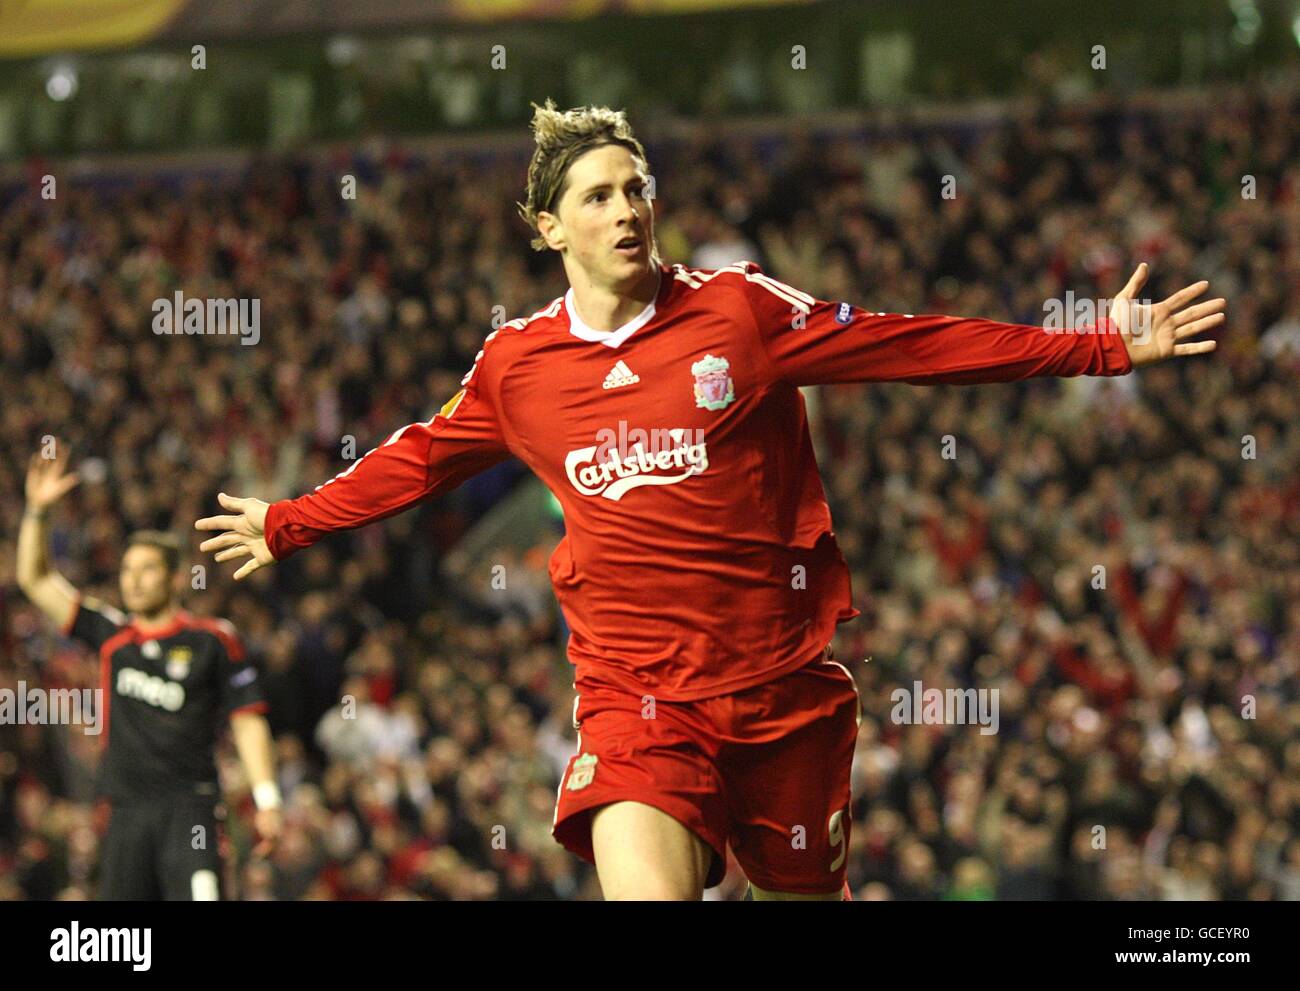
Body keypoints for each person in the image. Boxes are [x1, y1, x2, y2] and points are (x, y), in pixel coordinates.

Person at [194, 100, 1225, 900]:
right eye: (598, 195)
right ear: (549, 226)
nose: (628, 209)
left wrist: (1098, 345)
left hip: (781, 698)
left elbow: (911, 345)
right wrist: (290, 522)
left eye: (636, 188)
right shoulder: (517, 367)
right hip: (639, 706)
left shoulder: (738, 313)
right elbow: (419, 458)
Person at [18, 444, 281, 900]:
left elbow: (247, 719)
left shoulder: (212, 640)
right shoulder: (111, 635)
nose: (133, 580)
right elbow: (35, 580)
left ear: (176, 578)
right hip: (124, 814)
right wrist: (38, 513)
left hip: (191, 809)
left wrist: (267, 799)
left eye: (147, 570)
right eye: (127, 570)